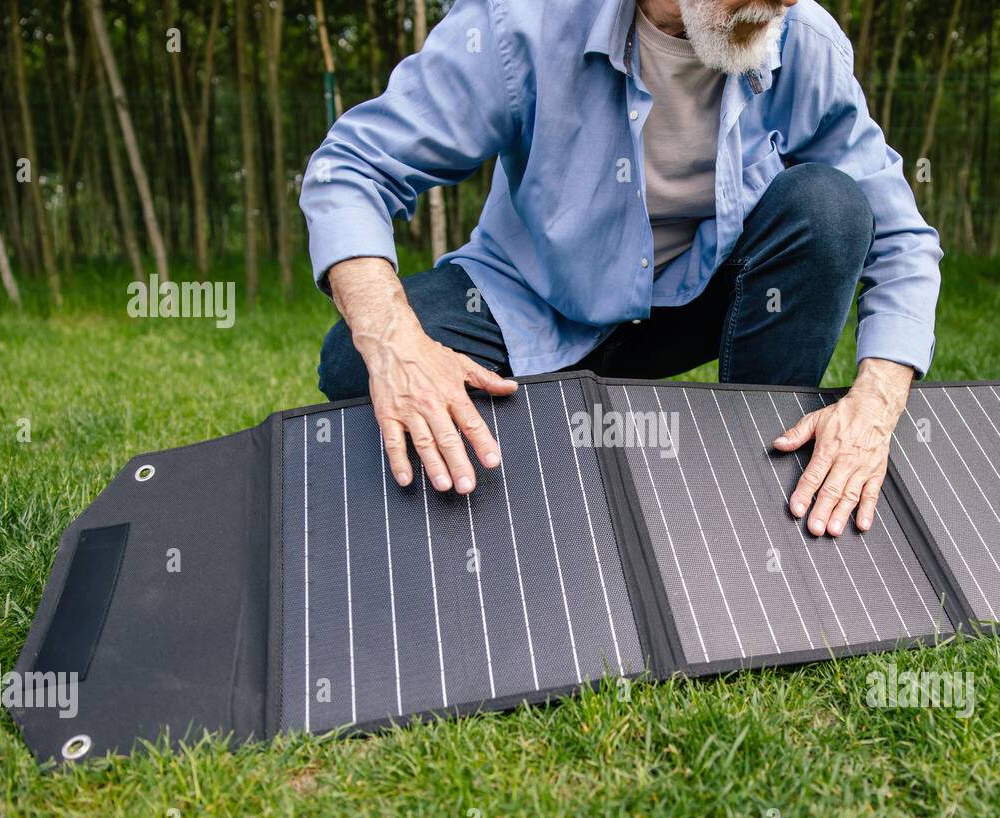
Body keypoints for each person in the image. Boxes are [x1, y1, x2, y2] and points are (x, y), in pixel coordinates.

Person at [300, 0, 942, 538]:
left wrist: (876, 403)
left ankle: (755, 477)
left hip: (691, 299)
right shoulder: (522, 21)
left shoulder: (798, 37)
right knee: (354, 361)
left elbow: (901, 234)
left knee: (830, 207)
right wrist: (396, 343)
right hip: (530, 300)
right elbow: (350, 168)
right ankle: (534, 440)